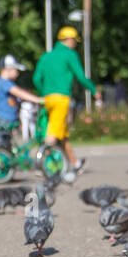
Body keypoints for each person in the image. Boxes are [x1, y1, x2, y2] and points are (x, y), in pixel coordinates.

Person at [32, 26, 98, 181]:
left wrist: (44, 94)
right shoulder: (70, 54)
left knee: (62, 133)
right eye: (75, 41)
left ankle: (75, 164)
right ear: (69, 40)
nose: (75, 44)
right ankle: (42, 166)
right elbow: (81, 77)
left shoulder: (46, 56)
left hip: (47, 99)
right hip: (61, 99)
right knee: (53, 135)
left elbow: (36, 78)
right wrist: (94, 90)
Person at [0, 55, 44, 145]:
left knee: (8, 147)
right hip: (3, 119)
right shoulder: (4, 82)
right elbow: (19, 93)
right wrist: (38, 100)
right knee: (4, 147)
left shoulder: (5, 82)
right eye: (16, 70)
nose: (17, 73)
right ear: (9, 68)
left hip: (5, 119)